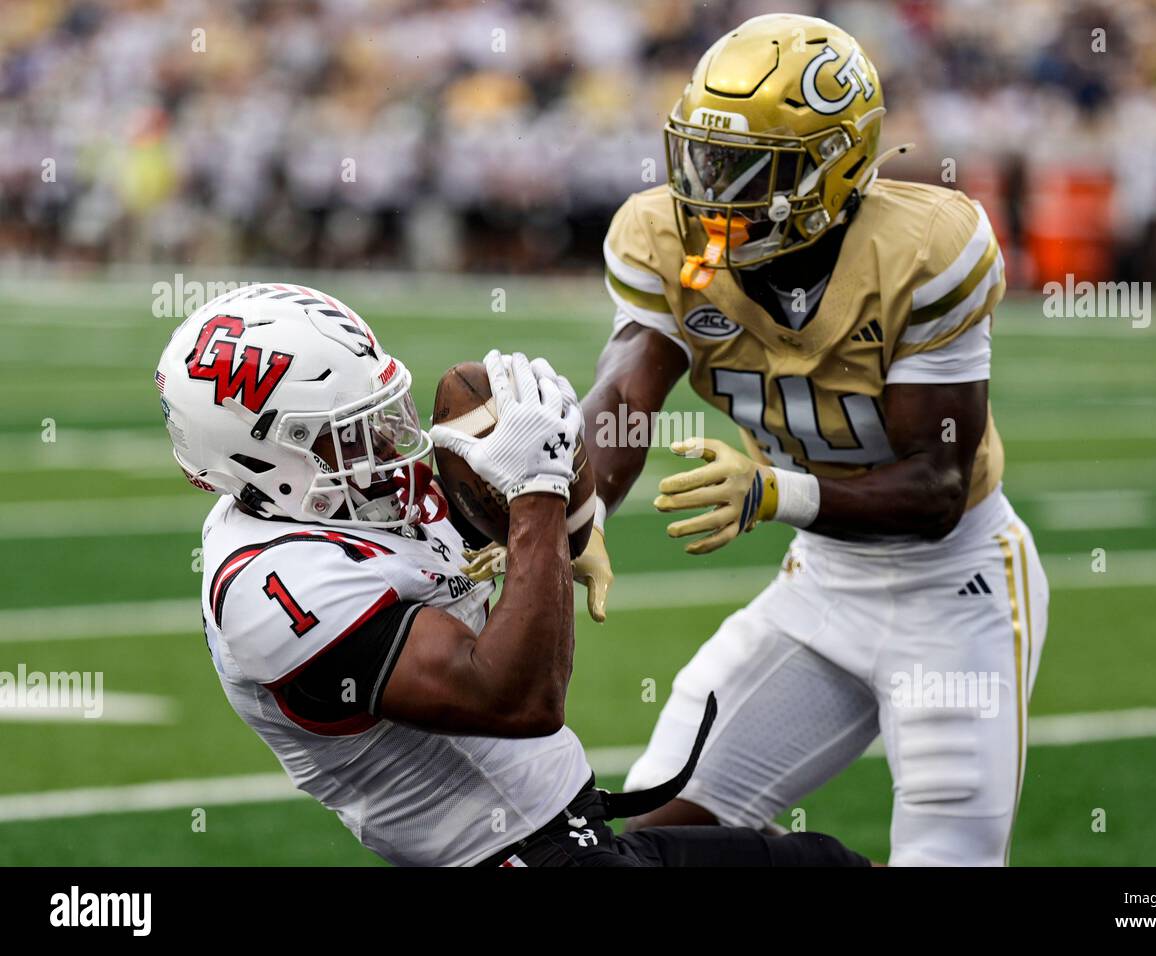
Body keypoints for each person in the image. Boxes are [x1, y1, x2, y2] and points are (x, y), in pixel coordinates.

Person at [155, 281, 867, 867]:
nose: (388, 443)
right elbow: (517, 699)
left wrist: (560, 497)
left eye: (380, 412)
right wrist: (538, 498)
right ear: (260, 463)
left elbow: (496, 507)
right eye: (350, 433)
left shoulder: (348, 494)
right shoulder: (270, 587)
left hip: (565, 835)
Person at [580, 14, 1049, 865]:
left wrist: (772, 493)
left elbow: (936, 488)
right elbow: (622, 394)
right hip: (822, 586)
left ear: (832, 171)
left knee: (948, 855)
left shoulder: (924, 248)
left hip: (957, 590)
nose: (711, 191)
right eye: (702, 159)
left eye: (748, 168)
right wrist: (575, 512)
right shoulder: (664, 238)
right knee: (644, 843)